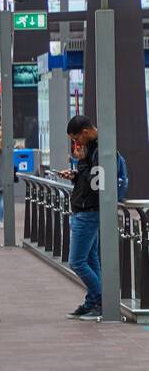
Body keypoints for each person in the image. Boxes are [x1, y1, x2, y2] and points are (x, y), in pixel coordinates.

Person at [57, 115, 130, 320]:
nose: (76, 143)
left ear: (86, 132)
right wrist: (76, 174)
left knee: (77, 262)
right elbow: (93, 178)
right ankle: (94, 303)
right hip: (88, 209)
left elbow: (97, 185)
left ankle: (102, 300)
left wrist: (80, 166)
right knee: (91, 259)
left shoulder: (100, 150)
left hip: (88, 212)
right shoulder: (96, 148)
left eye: (76, 138)